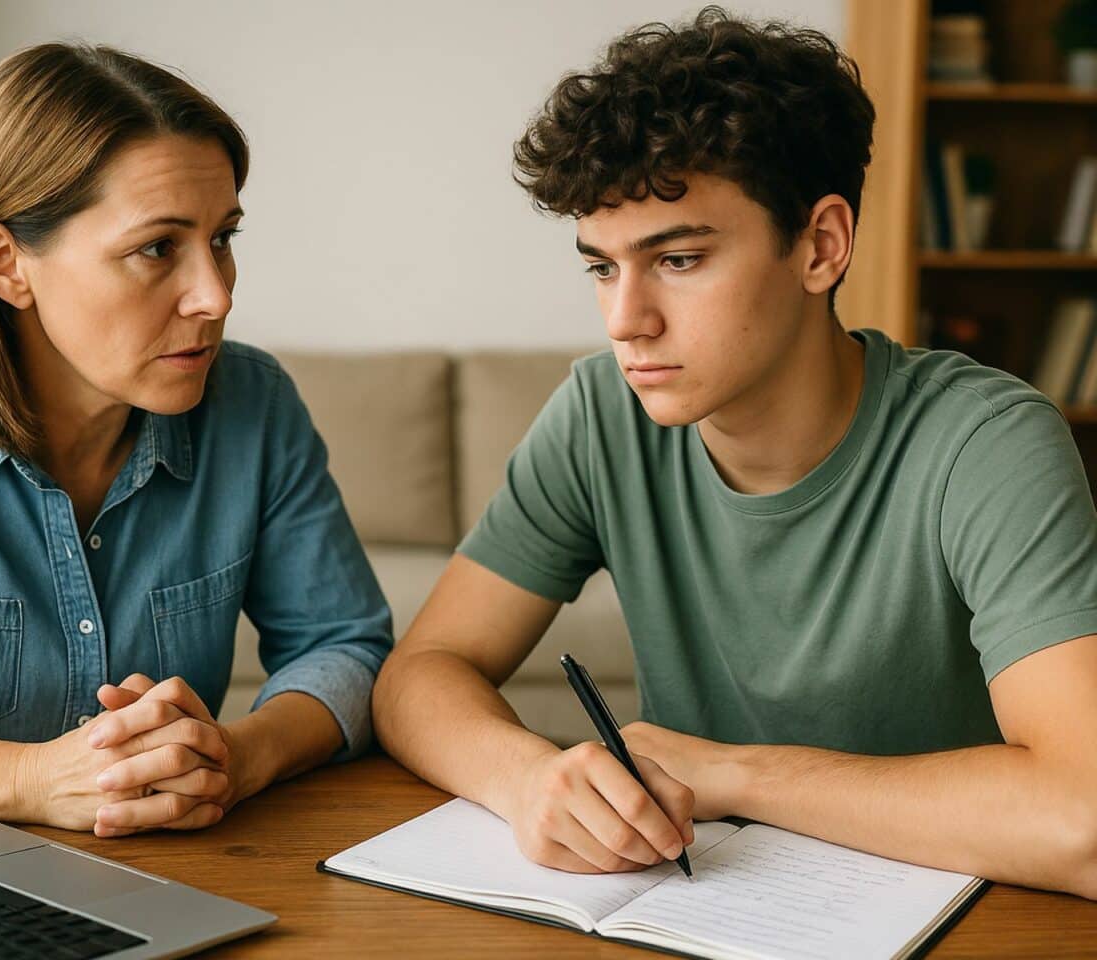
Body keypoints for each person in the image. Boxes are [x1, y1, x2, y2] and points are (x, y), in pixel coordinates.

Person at [372, 8, 1097, 898]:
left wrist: (736, 772)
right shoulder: (602, 414)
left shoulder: (987, 444)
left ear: (821, 247)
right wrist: (527, 780)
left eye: (677, 260)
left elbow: (1083, 816)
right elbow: (417, 676)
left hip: (957, 915)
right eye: (602, 267)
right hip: (703, 905)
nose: (624, 322)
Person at [0, 43, 392, 838]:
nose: (216, 294)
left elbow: (348, 646)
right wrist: (28, 780)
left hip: (177, 873)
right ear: (4, 262)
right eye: (158, 248)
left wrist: (237, 755)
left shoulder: (253, 406)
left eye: (222, 238)